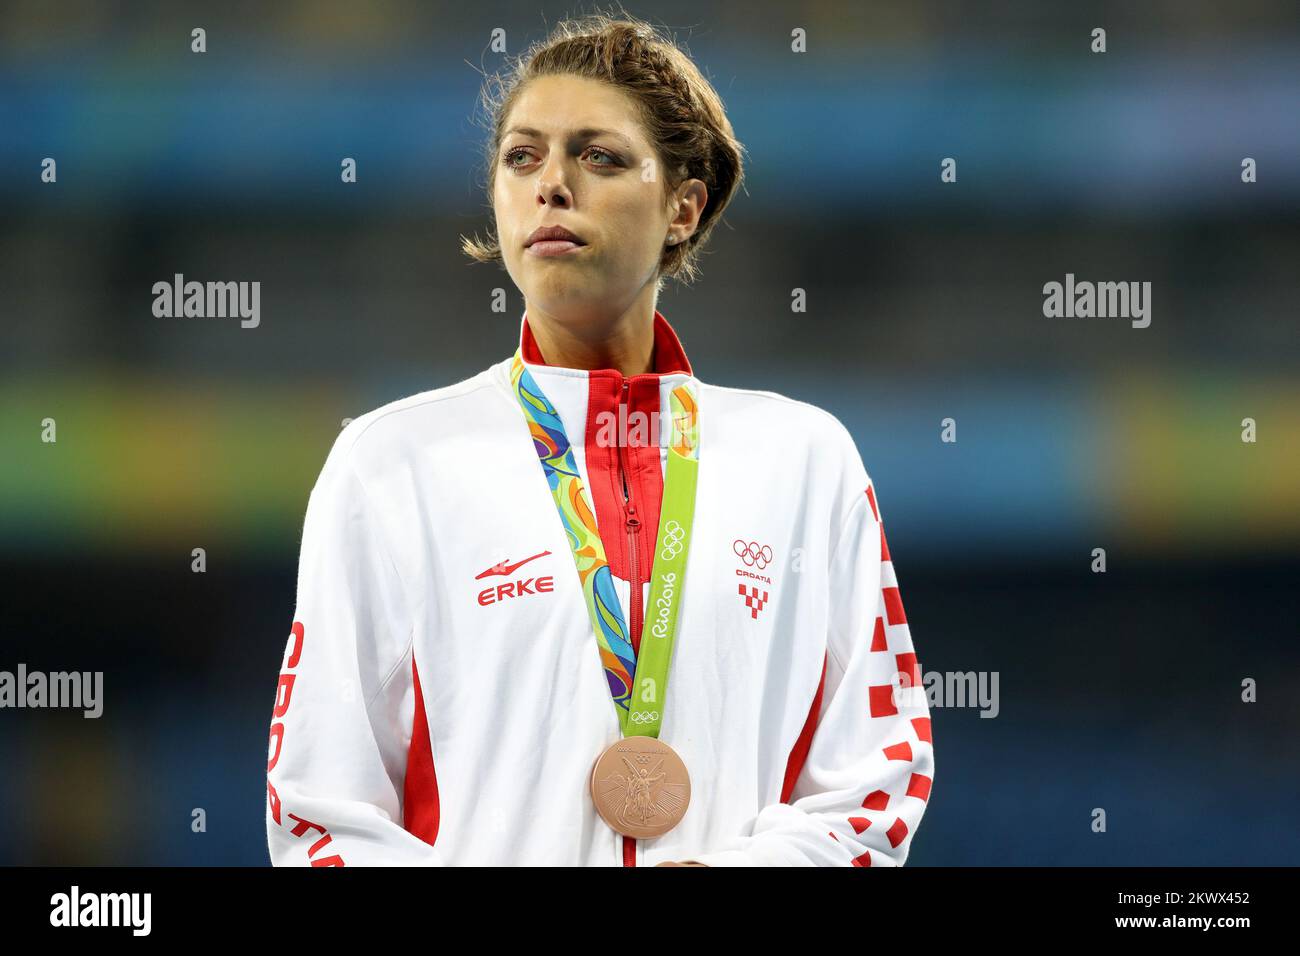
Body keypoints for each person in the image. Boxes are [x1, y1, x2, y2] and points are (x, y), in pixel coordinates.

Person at [265, 13, 934, 867]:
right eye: (522, 156)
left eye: (600, 156)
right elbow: (319, 810)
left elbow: (878, 773)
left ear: (684, 205)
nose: (552, 185)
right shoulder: (390, 465)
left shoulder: (803, 461)